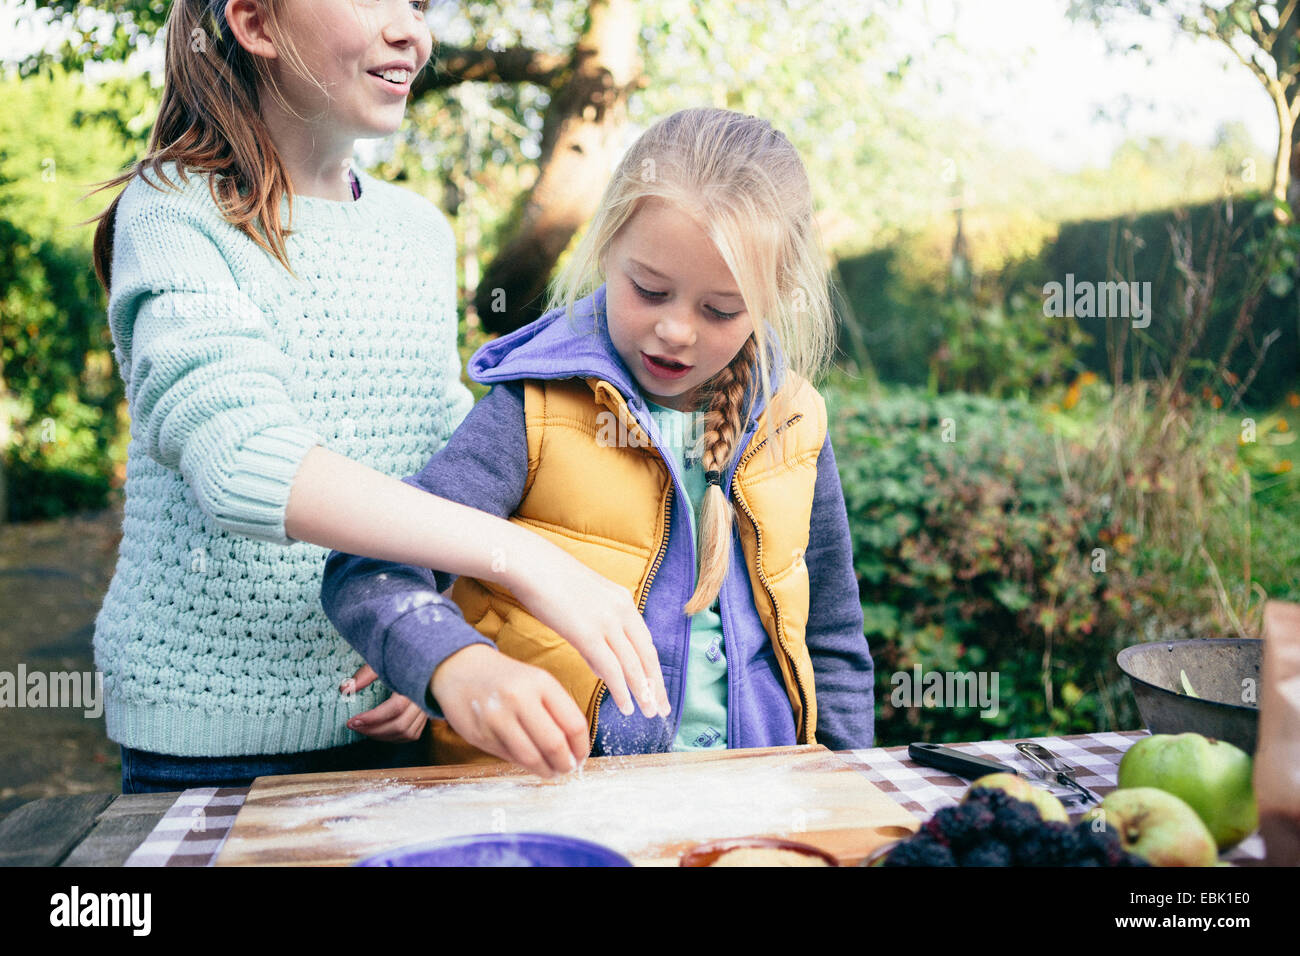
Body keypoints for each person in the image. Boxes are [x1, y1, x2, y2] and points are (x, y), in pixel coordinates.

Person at [90, 0, 669, 793]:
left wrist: (427, 643)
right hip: (212, 751)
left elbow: (442, 468)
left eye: (421, 5)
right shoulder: (171, 210)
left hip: (400, 724)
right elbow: (241, 459)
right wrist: (527, 560)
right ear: (256, 24)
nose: (413, 31)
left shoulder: (420, 231)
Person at [323, 107, 875, 761]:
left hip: (753, 802)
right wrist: (443, 662)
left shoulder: (795, 422)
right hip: (549, 801)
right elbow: (369, 569)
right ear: (608, 247)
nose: (676, 330)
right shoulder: (532, 408)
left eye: (720, 309)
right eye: (649, 289)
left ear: (776, 295)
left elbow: (833, 637)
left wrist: (849, 780)